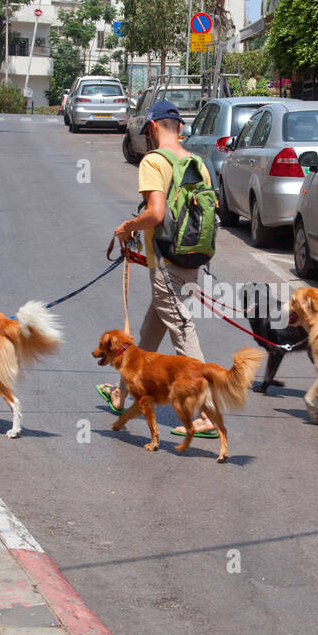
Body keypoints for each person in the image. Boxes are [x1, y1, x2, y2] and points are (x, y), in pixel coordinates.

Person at [97, 99, 218, 438]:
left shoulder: (153, 161)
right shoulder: (198, 162)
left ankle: (205, 411)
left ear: (151, 128)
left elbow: (156, 213)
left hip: (165, 261)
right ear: (179, 128)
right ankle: (122, 394)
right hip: (192, 259)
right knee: (151, 329)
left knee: (181, 327)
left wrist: (128, 228)